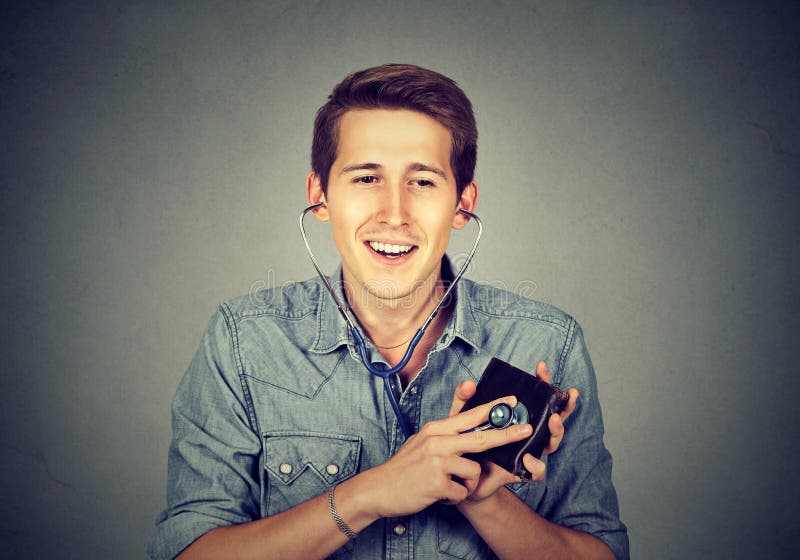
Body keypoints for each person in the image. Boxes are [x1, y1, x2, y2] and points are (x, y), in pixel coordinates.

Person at [149, 63, 628, 559]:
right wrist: (370, 493)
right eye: (366, 177)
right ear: (320, 196)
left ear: (462, 205)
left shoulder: (546, 345)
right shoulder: (242, 342)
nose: (394, 213)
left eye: (422, 182)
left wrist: (482, 496)